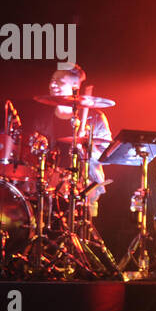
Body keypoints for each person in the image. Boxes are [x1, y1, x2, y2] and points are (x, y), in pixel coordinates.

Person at [44, 65, 112, 213]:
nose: (52, 84)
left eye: (59, 81)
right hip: (49, 188)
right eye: (52, 80)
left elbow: (107, 155)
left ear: (75, 86)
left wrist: (87, 145)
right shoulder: (43, 118)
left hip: (86, 187)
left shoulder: (95, 118)